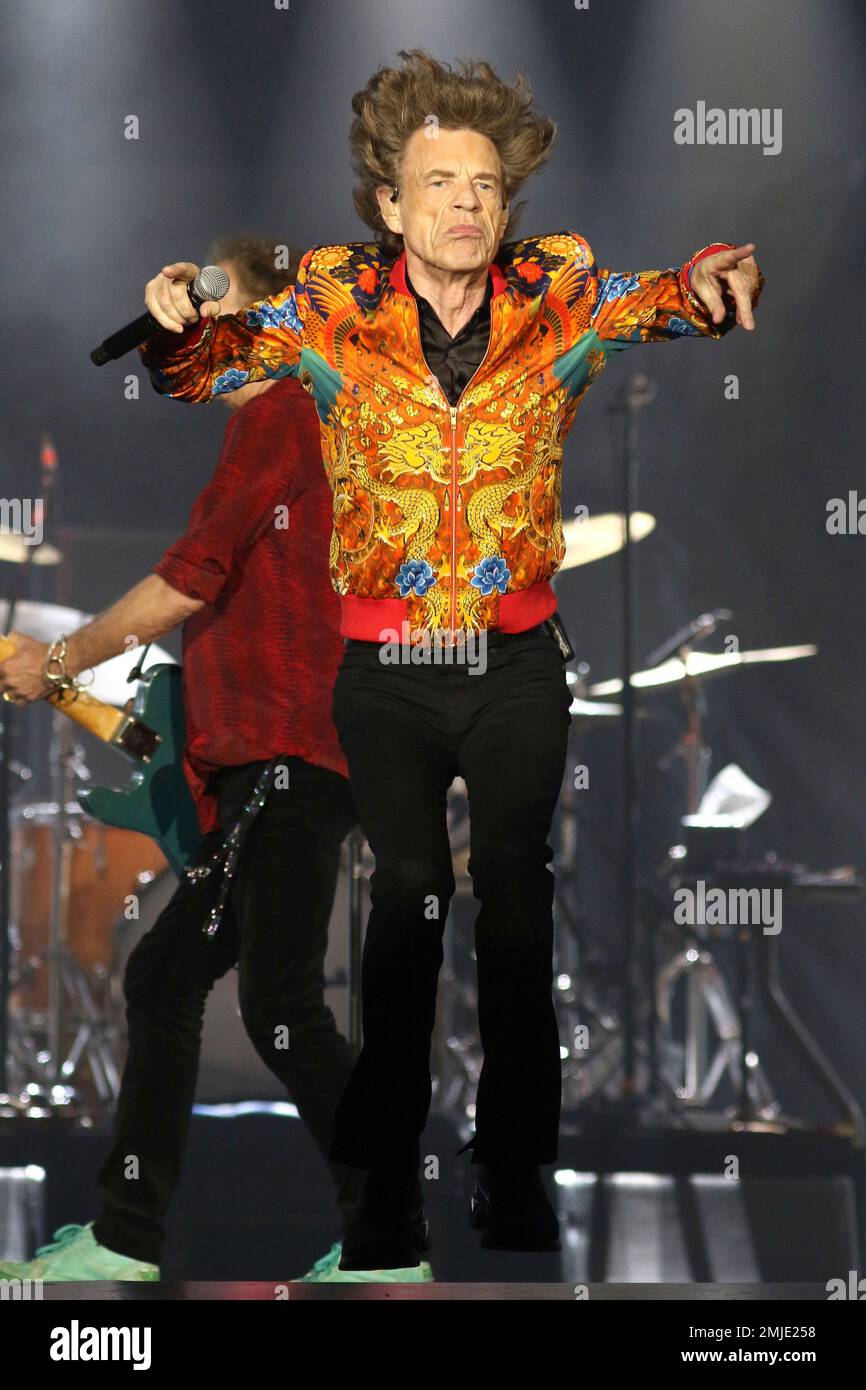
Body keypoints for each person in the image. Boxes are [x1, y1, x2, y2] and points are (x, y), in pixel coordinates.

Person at [133, 50, 764, 1272]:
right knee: (412, 894)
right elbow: (207, 365)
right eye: (438, 183)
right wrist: (176, 323)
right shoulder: (327, 303)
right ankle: (386, 1188)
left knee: (516, 890)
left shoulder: (558, 292)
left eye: (482, 183)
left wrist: (711, 279)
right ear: (390, 203)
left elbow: (667, 298)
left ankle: (515, 1167)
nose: (465, 203)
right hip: (385, 667)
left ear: (505, 201)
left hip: (518, 652)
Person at [0, 235, 432, 1285]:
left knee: (210, 984)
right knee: (253, 993)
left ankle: (142, 1236)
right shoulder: (285, 422)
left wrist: (53, 657)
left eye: (214, 299)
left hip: (290, 755)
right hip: (283, 760)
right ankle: (360, 1238)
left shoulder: (283, 415)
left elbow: (190, 579)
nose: (195, 322)